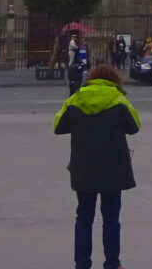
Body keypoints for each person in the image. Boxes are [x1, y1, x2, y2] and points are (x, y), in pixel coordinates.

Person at [53, 63, 139, 269]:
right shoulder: (119, 100)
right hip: (114, 167)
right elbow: (135, 126)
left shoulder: (75, 99)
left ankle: (82, 264)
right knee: (111, 217)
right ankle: (112, 263)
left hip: (84, 167)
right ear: (114, 80)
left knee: (84, 216)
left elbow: (58, 126)